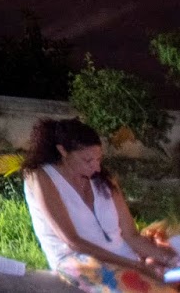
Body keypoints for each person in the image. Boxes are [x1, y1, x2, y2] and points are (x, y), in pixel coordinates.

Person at [22, 117, 177, 290]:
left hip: (122, 257)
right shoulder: (41, 177)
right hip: (79, 261)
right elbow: (73, 242)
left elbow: (131, 236)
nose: (96, 167)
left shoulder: (102, 179)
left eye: (98, 159)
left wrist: (170, 259)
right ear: (63, 151)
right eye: (88, 160)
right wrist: (136, 266)